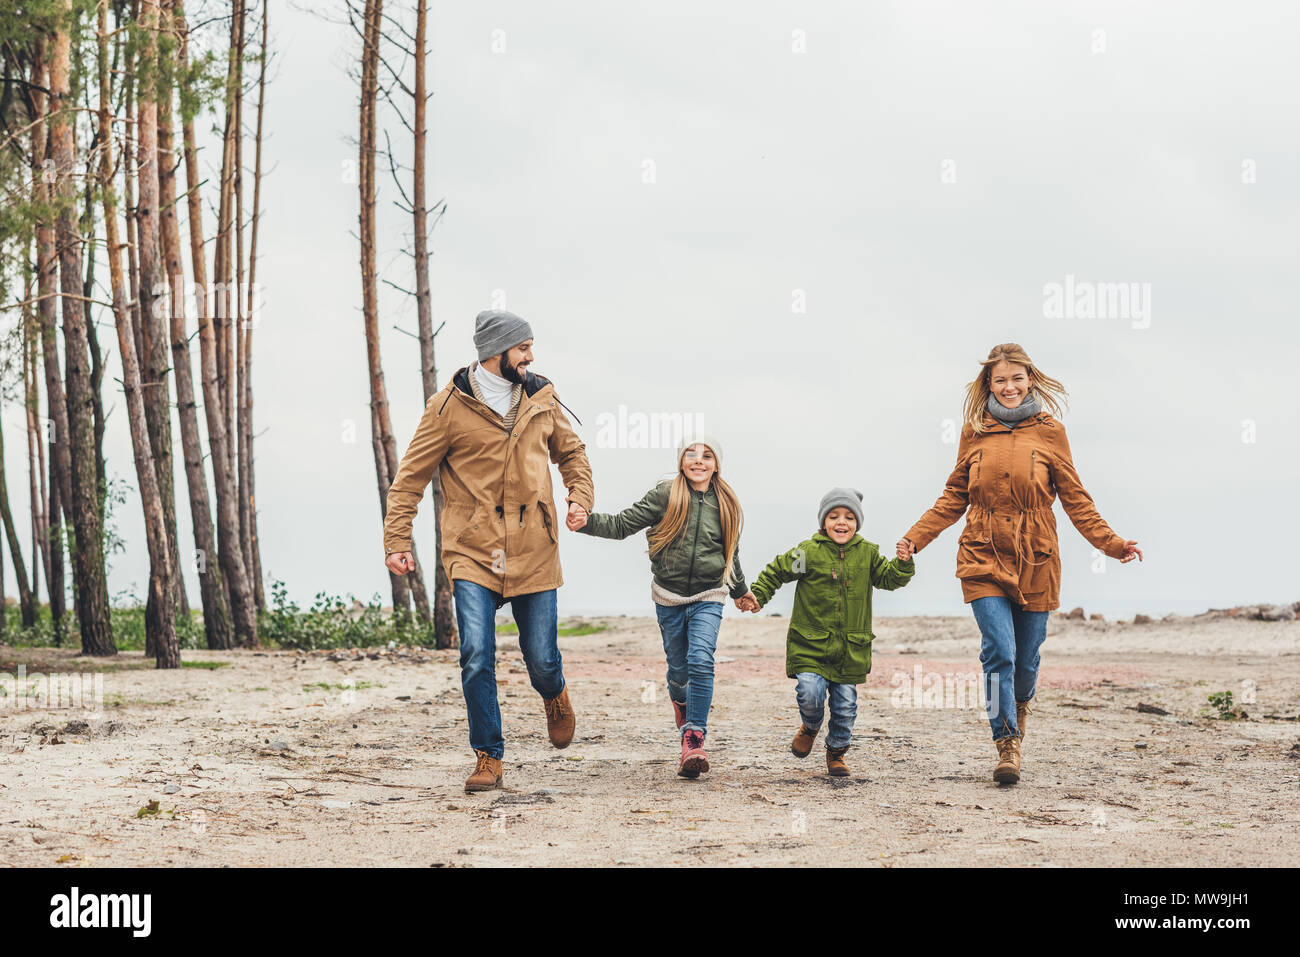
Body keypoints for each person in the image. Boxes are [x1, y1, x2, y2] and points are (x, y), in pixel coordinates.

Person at [899, 342, 1142, 784]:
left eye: (1016, 379)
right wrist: (915, 539)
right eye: (999, 380)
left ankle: (1021, 704)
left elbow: (1075, 499)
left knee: (1026, 661)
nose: (1008, 388)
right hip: (981, 553)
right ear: (987, 385)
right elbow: (954, 495)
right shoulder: (974, 431)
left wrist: (1112, 544)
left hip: (1037, 558)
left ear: (1029, 379)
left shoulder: (1051, 432)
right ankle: (1006, 742)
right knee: (1000, 653)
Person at [383, 310, 595, 793]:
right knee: (476, 653)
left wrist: (579, 497)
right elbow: (409, 479)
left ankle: (554, 694)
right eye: (523, 348)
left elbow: (573, 454)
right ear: (496, 353)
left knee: (541, 657)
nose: (531, 356)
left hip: (534, 548)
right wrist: (397, 540)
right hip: (472, 549)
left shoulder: (541, 399)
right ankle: (488, 756)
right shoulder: (447, 408)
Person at [572, 437, 750, 779]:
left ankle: (694, 740)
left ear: (716, 464)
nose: (698, 460)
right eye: (691, 454)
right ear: (681, 461)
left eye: (707, 455)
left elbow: (731, 554)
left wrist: (741, 592)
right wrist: (587, 521)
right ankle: (681, 702)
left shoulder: (726, 503)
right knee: (678, 670)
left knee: (701, 659)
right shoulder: (665, 495)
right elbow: (623, 524)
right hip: (668, 596)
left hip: (709, 594)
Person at [744, 489, 915, 776]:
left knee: (845, 706)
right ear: (823, 521)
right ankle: (810, 726)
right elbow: (778, 571)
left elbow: (889, 578)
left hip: (851, 648)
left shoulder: (868, 554)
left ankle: (836, 751)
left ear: (857, 523)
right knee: (810, 692)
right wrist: (759, 594)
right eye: (834, 516)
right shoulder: (809, 552)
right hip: (809, 644)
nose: (841, 522)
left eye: (849, 517)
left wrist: (903, 563)